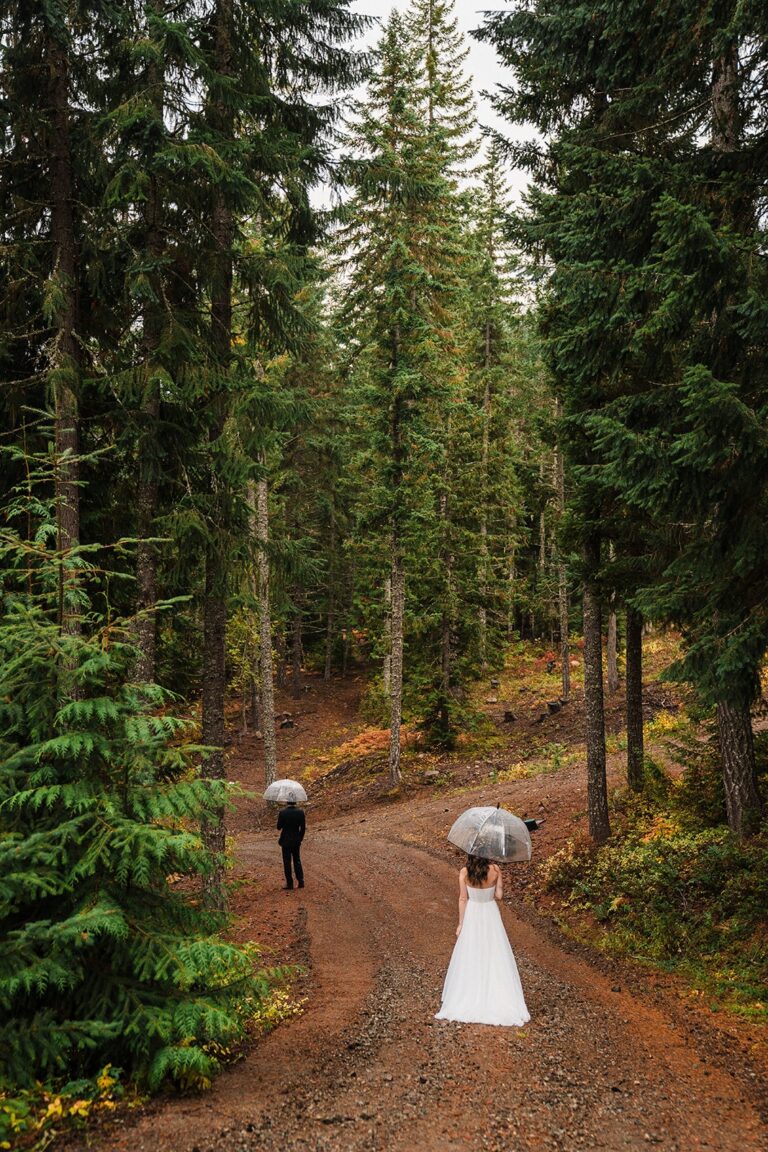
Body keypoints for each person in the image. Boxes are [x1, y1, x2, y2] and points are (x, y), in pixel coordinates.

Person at [435, 853, 529, 1026]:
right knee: (495, 952)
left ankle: (469, 993)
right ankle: (499, 995)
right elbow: (499, 896)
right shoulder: (495, 869)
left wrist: (461, 924)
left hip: (473, 914)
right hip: (490, 913)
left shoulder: (464, 872)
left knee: (472, 952)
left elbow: (463, 898)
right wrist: (497, 883)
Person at [276, 793, 305, 890]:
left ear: (287, 801)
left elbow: (278, 827)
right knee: (297, 860)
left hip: (286, 840)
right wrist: (300, 838)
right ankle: (301, 881)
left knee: (287, 862)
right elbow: (303, 828)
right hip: (296, 840)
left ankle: (290, 883)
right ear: (295, 801)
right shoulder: (301, 812)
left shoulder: (283, 813)